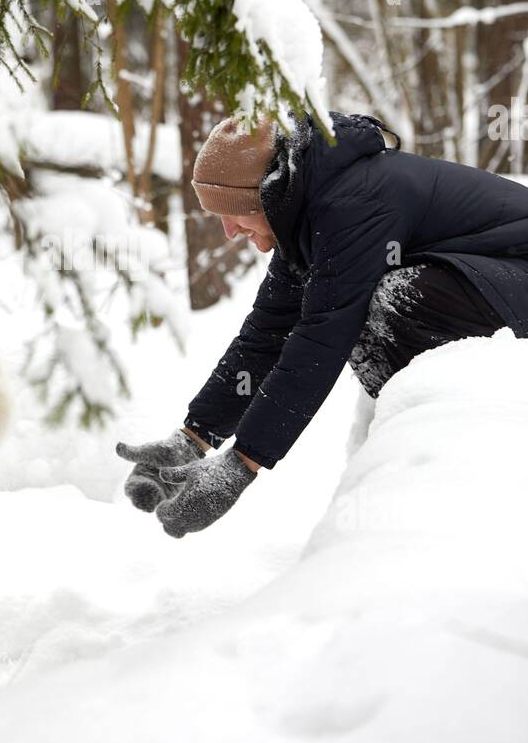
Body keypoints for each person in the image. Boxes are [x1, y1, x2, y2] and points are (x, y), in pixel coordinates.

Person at [117, 111, 528, 537]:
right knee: (373, 303)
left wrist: (240, 467)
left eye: (238, 213)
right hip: (494, 284)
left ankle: (441, 425)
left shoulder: (353, 203)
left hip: (518, 275)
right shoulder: (305, 214)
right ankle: (414, 423)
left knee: (386, 301)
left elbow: (322, 337)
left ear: (270, 195)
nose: (229, 231)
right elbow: (266, 335)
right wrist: (192, 438)